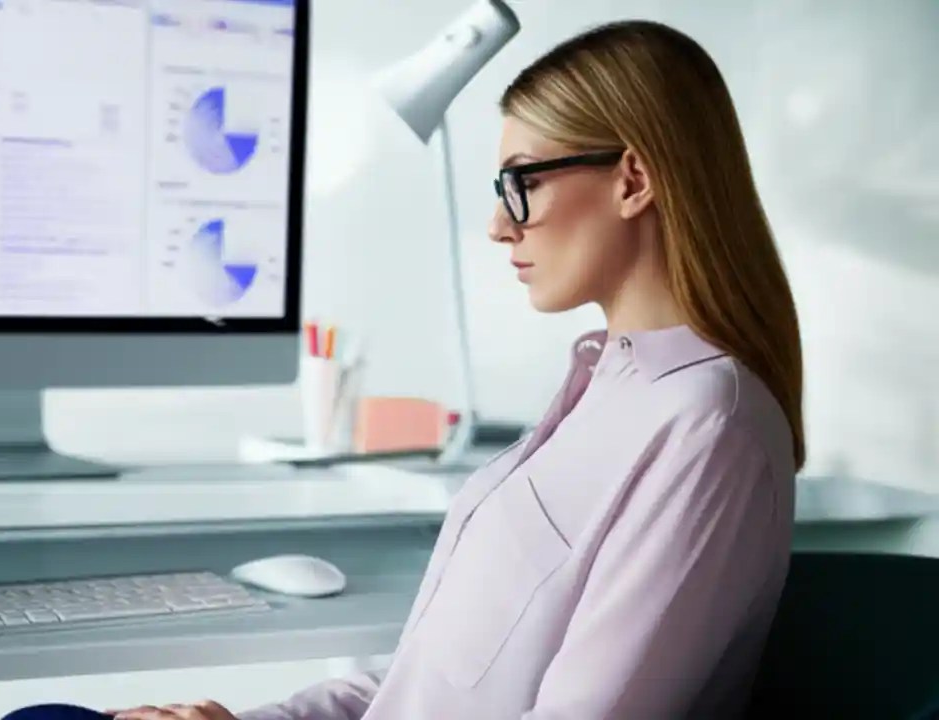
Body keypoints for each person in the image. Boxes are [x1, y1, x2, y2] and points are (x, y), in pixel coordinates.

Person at [111, 18, 804, 720]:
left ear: (632, 180)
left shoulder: (708, 428)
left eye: (520, 182)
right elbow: (413, 686)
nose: (499, 226)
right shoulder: (605, 390)